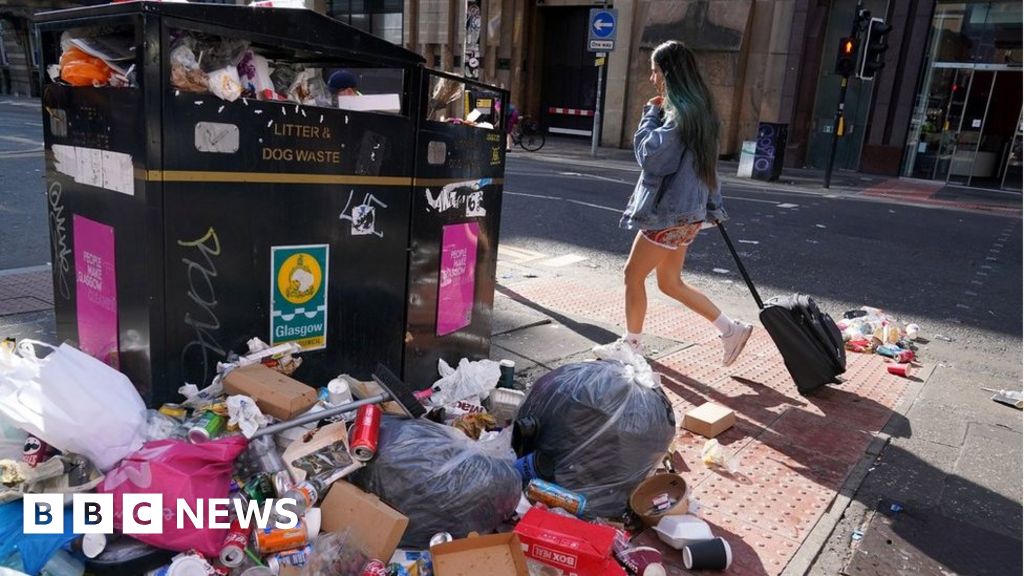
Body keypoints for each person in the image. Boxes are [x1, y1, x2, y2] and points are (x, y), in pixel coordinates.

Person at [593, 40, 752, 366]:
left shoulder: (680, 115)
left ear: (669, 73)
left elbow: (653, 159)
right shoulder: (703, 112)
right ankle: (730, 329)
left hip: (669, 215)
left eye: (655, 72)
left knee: (632, 275)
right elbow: (708, 169)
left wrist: (649, 115)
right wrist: (713, 208)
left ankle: (632, 347)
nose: (653, 79)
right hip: (688, 214)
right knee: (670, 282)